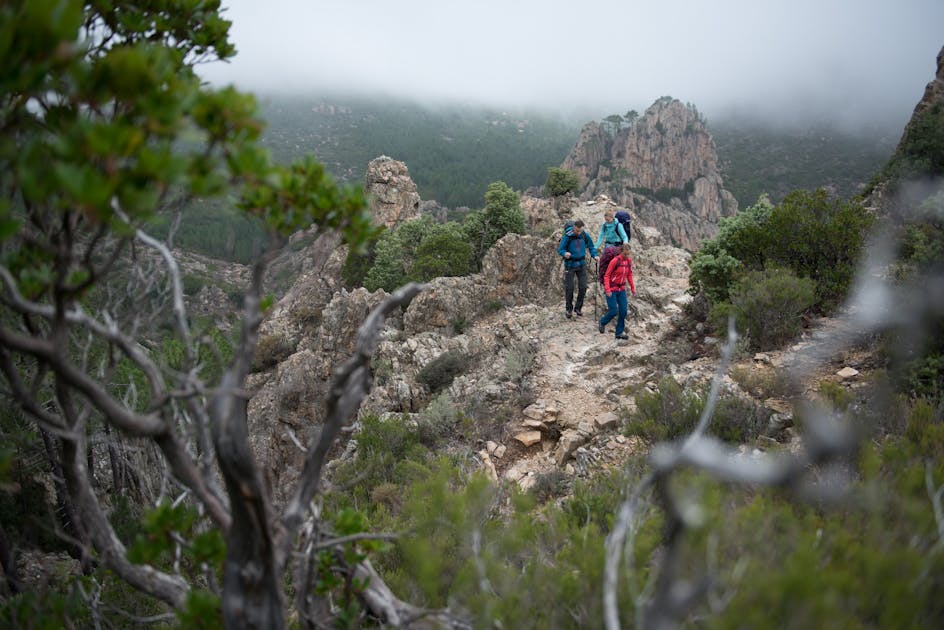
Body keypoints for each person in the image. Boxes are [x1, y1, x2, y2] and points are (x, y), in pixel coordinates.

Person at [557, 219, 597, 318]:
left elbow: (591, 246)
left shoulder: (584, 235)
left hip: (581, 264)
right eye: (576, 231)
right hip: (570, 264)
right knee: (569, 288)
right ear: (574, 228)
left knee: (583, 287)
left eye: (580, 231)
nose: (578, 233)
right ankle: (568, 310)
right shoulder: (568, 236)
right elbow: (560, 249)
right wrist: (564, 253)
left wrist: (594, 255)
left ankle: (578, 308)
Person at [598, 242, 636, 340]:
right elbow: (607, 275)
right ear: (621, 252)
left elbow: (629, 275)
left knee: (623, 311)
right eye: (625, 254)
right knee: (614, 311)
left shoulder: (629, 261)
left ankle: (619, 332)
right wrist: (607, 290)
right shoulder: (615, 261)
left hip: (621, 289)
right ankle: (602, 322)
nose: (626, 256)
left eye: (628, 254)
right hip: (612, 288)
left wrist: (632, 287)